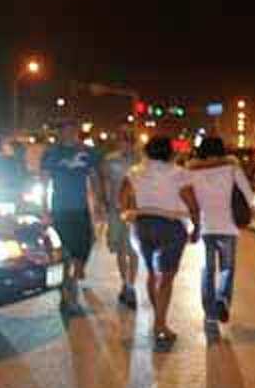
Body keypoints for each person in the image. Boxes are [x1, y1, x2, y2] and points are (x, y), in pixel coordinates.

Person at [119, 136, 201, 348]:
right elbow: (192, 204)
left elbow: (123, 197)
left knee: (151, 274)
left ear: (146, 151)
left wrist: (128, 213)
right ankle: (160, 324)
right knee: (166, 278)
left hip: (142, 225)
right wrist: (197, 228)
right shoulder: (179, 173)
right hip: (170, 227)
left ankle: (159, 319)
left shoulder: (135, 171)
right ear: (170, 152)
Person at [184, 136, 254, 335]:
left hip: (205, 226)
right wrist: (252, 209)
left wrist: (191, 225)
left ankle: (210, 313)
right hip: (228, 226)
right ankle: (222, 299)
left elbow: (187, 199)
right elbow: (248, 194)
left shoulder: (191, 171)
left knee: (207, 270)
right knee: (227, 268)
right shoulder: (232, 168)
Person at [41, 122, 105, 313]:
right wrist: (44, 209)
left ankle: (76, 274)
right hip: (60, 209)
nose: (69, 134)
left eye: (72, 130)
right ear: (60, 133)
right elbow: (43, 182)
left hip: (81, 209)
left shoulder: (88, 153)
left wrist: (99, 202)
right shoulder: (52, 153)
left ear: (77, 133)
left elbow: (94, 179)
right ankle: (68, 295)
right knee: (64, 254)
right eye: (64, 131)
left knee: (85, 246)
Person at [99, 129, 142, 308]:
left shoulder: (141, 161)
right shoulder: (109, 160)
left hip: (135, 211)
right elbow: (103, 182)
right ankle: (125, 283)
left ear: (133, 142)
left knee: (133, 250)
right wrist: (104, 204)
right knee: (120, 249)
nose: (123, 144)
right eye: (121, 140)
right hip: (115, 210)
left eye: (127, 141)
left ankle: (131, 286)